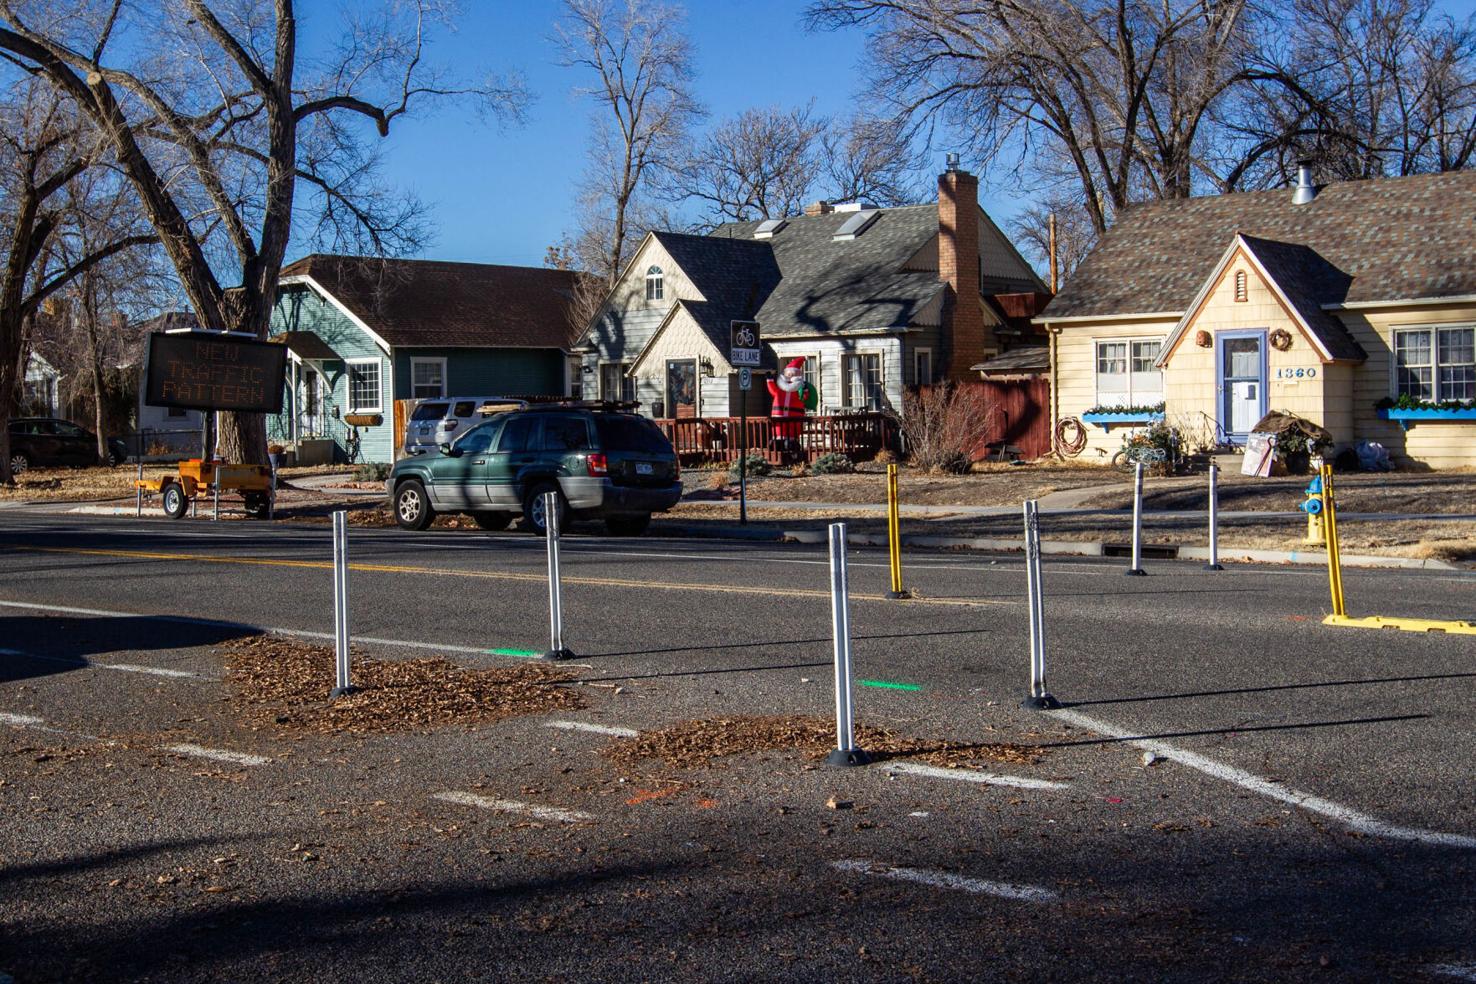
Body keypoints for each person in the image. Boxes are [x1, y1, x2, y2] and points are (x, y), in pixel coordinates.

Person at [766, 358, 818, 461]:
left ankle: (791, 443)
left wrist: (805, 391)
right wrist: (769, 380)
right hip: (779, 416)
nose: (789, 376)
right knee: (778, 430)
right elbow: (773, 390)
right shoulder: (780, 390)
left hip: (794, 416)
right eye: (788, 374)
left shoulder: (799, 389)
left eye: (792, 374)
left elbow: (804, 398)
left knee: (792, 432)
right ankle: (778, 441)